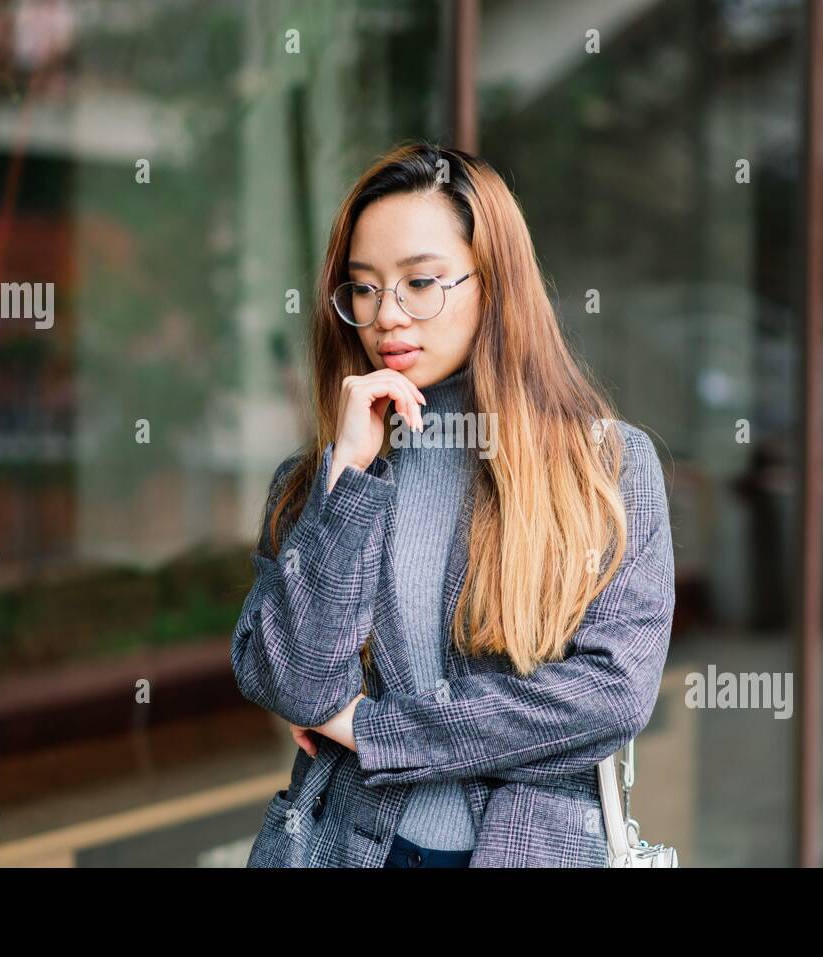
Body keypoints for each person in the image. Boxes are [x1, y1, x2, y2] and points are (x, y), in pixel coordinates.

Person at [231, 142, 675, 867]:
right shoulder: (319, 478)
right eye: (365, 288)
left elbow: (609, 695)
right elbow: (296, 680)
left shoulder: (604, 467)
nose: (388, 316)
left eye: (422, 282)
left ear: (492, 282)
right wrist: (350, 475)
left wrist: (377, 732)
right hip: (343, 847)